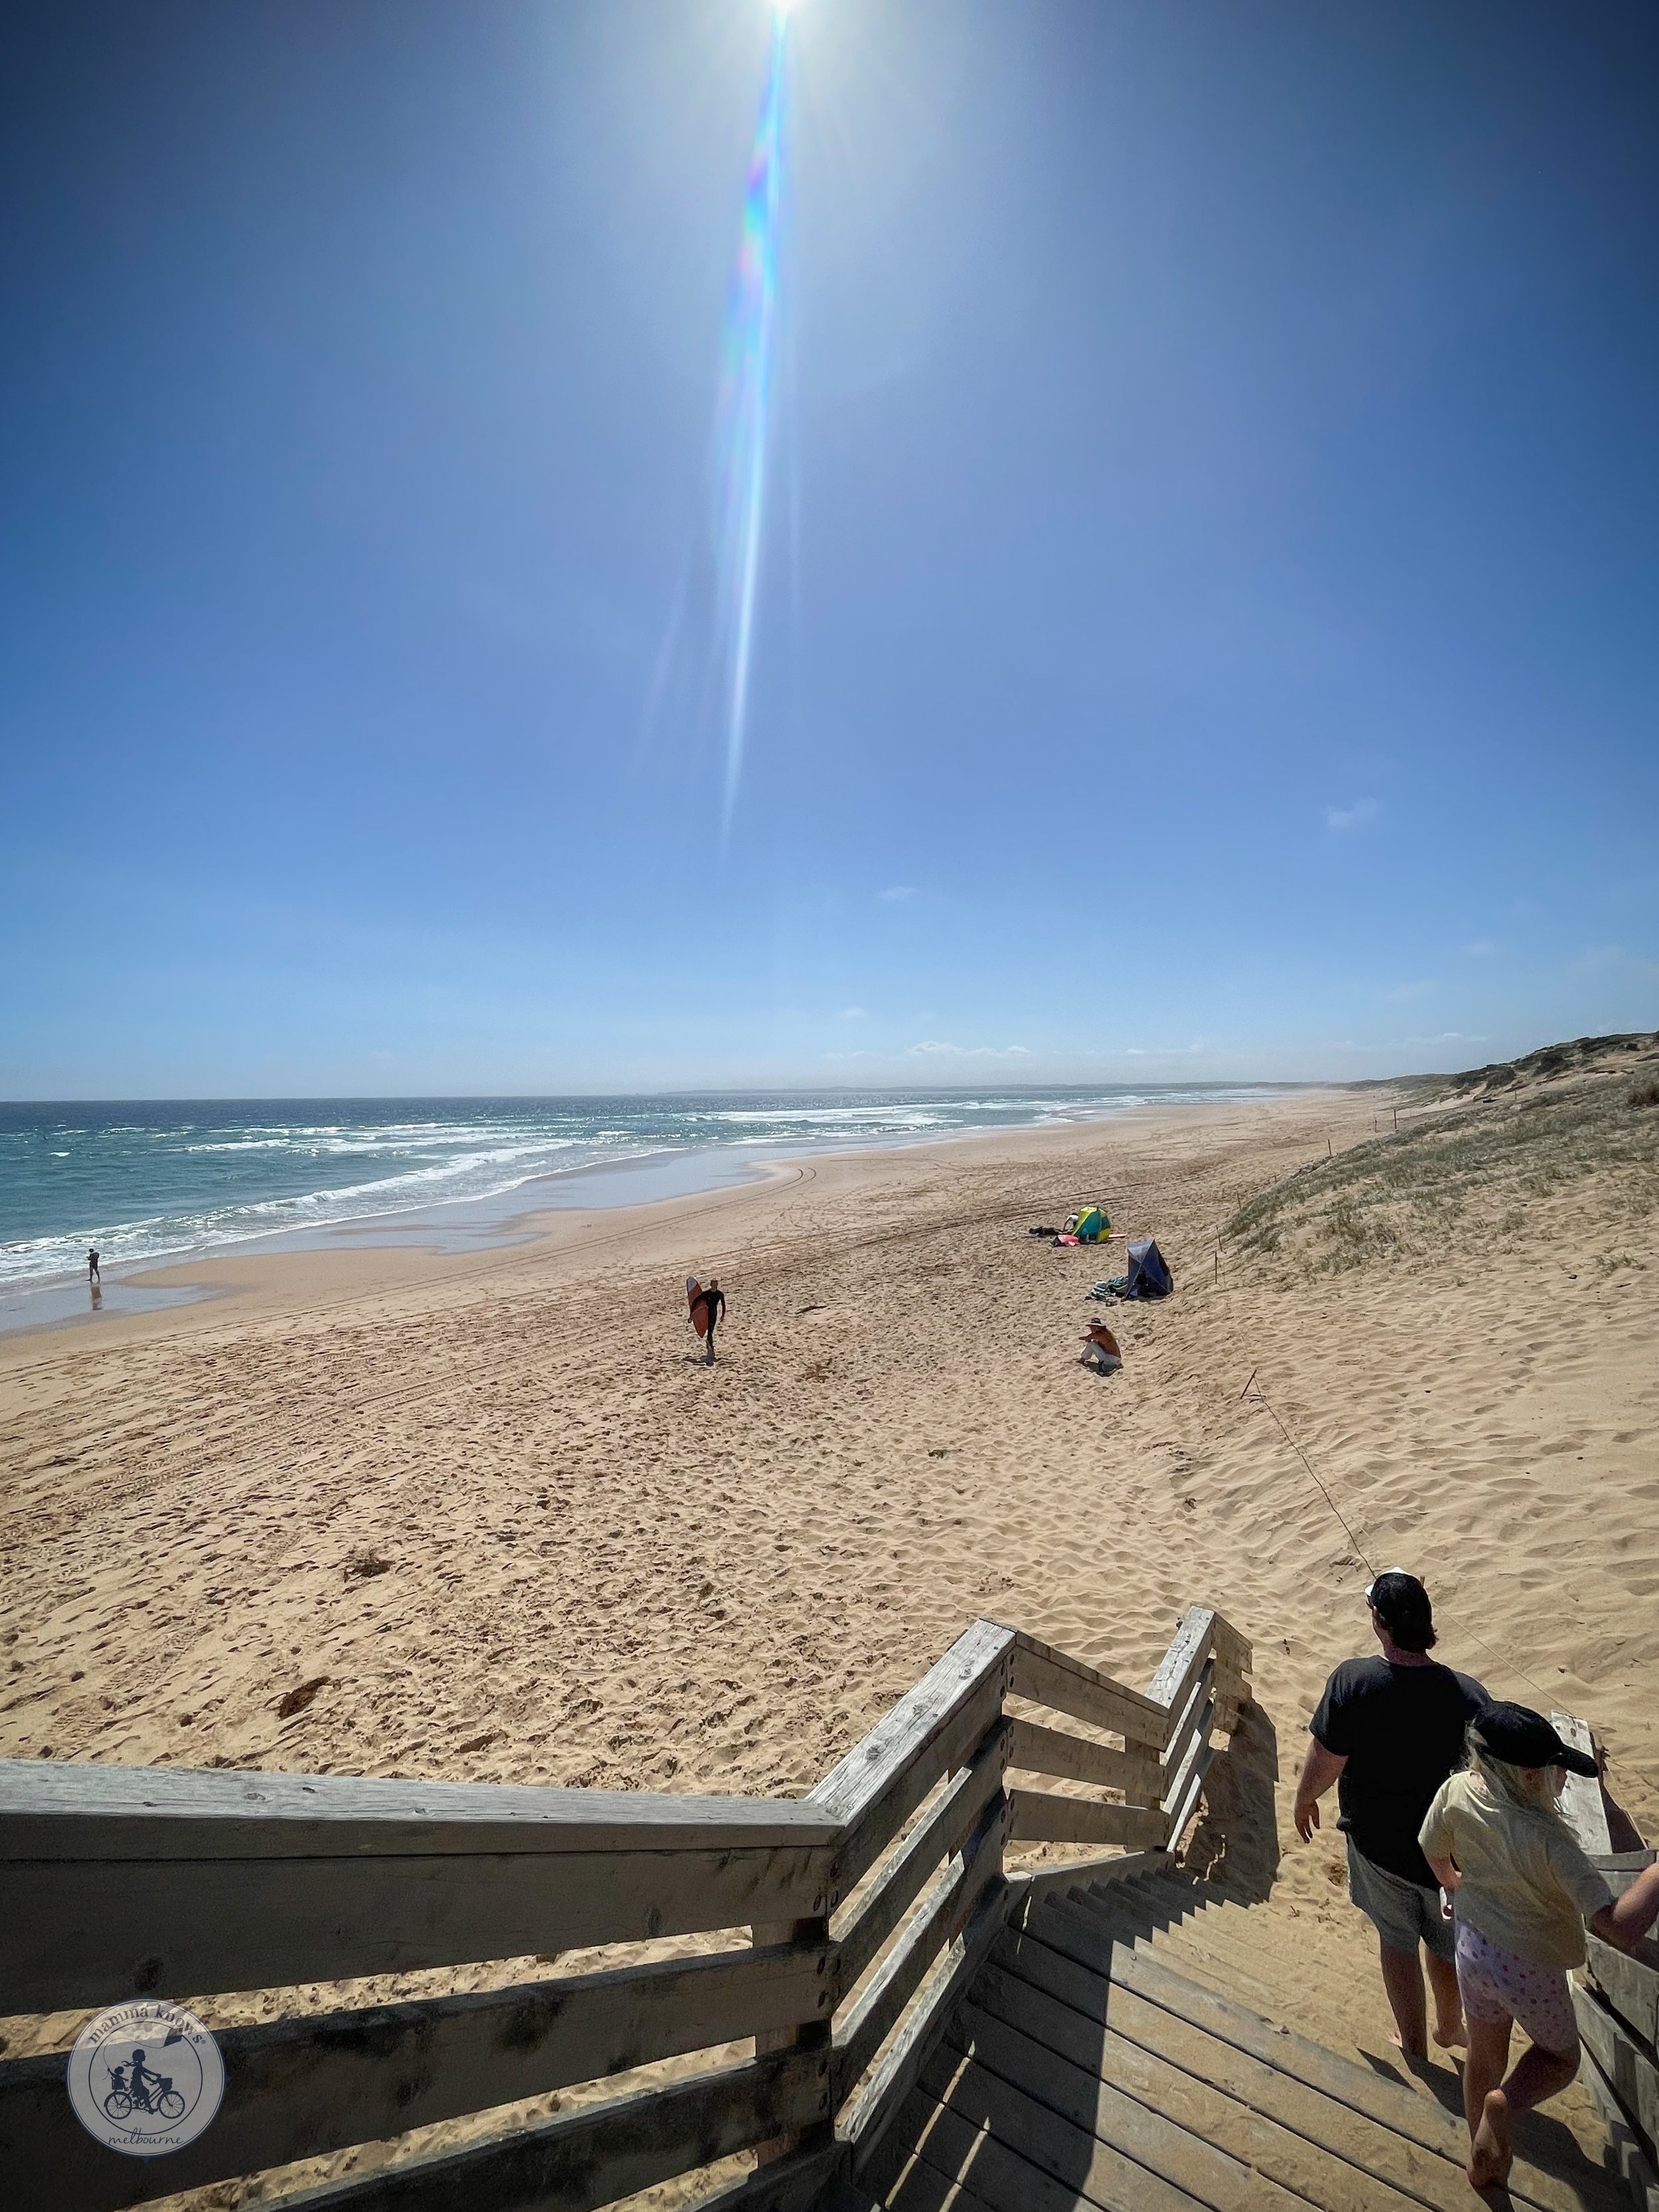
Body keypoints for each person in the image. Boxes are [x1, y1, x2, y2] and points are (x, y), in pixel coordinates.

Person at [1420, 1703, 1659, 2194]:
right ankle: (1504, 2105)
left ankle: (1482, 2160)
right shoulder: (1552, 1841)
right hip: (1529, 1967)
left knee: (1485, 2055)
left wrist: (1455, 1884)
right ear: (1531, 1776)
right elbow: (1618, 1928)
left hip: (1474, 1948)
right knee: (1559, 2059)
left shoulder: (1458, 1789)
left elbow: (1432, 1847)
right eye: (1556, 1769)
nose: (1562, 1778)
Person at [1293, 1570, 1488, 2060]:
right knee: (1444, 1945)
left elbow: (1325, 1758)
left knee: (1397, 1941)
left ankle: (1415, 2044)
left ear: (1379, 1622)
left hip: (1379, 1847)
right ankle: (1449, 2027)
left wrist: (1304, 1799)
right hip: (1448, 1857)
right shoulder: (1468, 1695)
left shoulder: (1353, 1681)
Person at [702, 1276, 725, 1364]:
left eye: (716, 1284)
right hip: (706, 1314)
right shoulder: (706, 1294)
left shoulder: (720, 1294)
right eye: (714, 1284)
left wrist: (723, 1315)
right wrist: (692, 1315)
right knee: (708, 1331)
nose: (715, 1286)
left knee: (710, 1332)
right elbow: (697, 1301)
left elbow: (723, 1305)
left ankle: (711, 1348)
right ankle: (709, 1345)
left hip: (713, 1315)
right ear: (711, 1285)